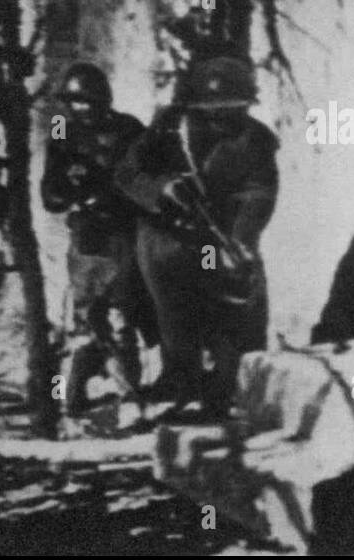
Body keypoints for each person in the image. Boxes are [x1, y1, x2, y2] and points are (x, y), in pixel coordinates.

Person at [114, 55, 279, 419]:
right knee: (175, 317)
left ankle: (225, 394)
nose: (221, 120)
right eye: (212, 111)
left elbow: (259, 194)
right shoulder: (168, 130)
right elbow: (127, 174)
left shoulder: (257, 140)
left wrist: (241, 240)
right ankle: (179, 387)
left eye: (232, 111)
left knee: (232, 310)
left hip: (216, 238)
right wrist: (164, 189)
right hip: (164, 238)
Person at [40, 62, 151, 418]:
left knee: (121, 317)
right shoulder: (63, 134)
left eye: (85, 101)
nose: (79, 109)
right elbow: (51, 192)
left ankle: (130, 396)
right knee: (86, 320)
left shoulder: (129, 130)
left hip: (123, 234)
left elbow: (149, 180)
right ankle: (73, 400)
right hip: (87, 237)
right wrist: (73, 193)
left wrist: (115, 194)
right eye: (73, 102)